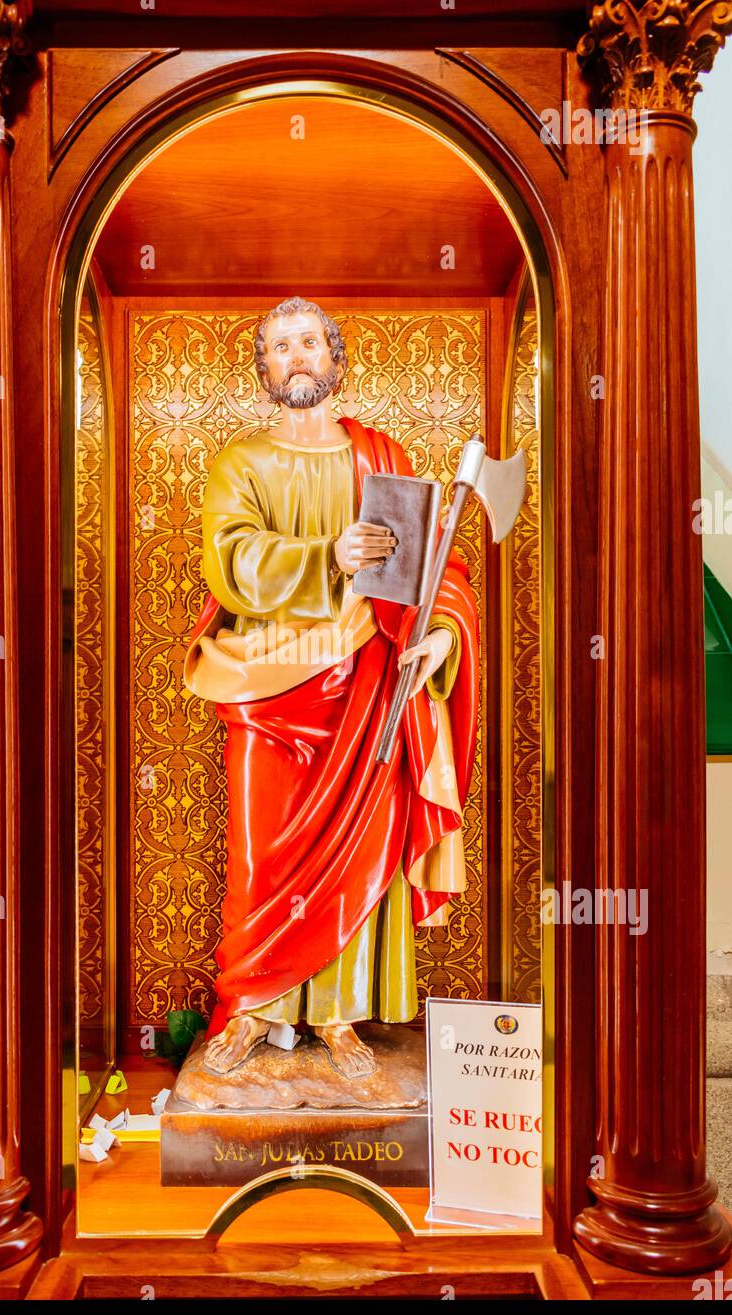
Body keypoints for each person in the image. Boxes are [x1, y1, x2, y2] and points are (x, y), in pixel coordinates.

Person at [184, 296, 479, 1078]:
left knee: (357, 861)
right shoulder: (238, 466)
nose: (298, 355)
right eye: (280, 346)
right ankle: (252, 1007)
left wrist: (441, 634)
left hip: (365, 688)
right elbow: (234, 562)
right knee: (259, 860)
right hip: (270, 689)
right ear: (264, 371)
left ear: (336, 359)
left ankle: (341, 1016)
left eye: (311, 341)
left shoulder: (381, 455)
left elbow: (433, 567)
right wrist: (331, 555)